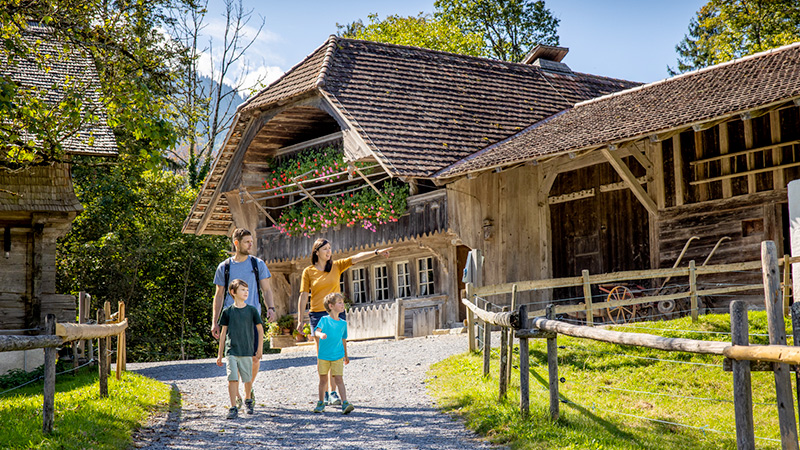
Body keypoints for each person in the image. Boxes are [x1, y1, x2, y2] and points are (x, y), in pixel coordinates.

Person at [296, 238, 390, 405]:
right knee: (323, 355)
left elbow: (357, 257)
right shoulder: (308, 271)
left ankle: (333, 393)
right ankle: (324, 392)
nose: (328, 251)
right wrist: (299, 319)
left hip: (336, 314)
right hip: (317, 315)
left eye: (330, 248)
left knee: (336, 354)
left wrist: (376, 252)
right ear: (316, 252)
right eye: (325, 249)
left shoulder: (337, 266)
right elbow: (303, 295)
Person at [212, 228, 275, 406]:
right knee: (236, 359)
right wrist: (215, 322)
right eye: (247, 242)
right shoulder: (224, 267)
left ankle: (248, 389)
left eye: (251, 241)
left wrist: (271, 308)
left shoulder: (258, 264)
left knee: (255, 358)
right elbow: (218, 296)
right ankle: (239, 395)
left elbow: (267, 289)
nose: (250, 245)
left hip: (252, 317)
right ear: (236, 243)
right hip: (231, 319)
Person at [216, 279, 264, 419]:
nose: (246, 292)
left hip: (247, 350)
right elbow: (223, 334)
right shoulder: (227, 312)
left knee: (247, 379)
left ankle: (248, 400)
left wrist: (259, 349)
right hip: (231, 351)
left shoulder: (252, 310)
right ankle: (232, 407)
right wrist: (220, 354)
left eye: (247, 290)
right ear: (233, 292)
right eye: (242, 290)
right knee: (232, 378)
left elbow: (260, 330)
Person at [313, 292, 354, 414]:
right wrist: (321, 335)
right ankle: (320, 403)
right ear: (331, 306)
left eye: (343, 303)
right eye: (339, 303)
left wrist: (346, 355)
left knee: (339, 379)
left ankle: (345, 403)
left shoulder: (343, 323)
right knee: (323, 380)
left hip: (337, 356)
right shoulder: (324, 320)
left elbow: (343, 340)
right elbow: (316, 332)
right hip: (324, 357)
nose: (343, 305)